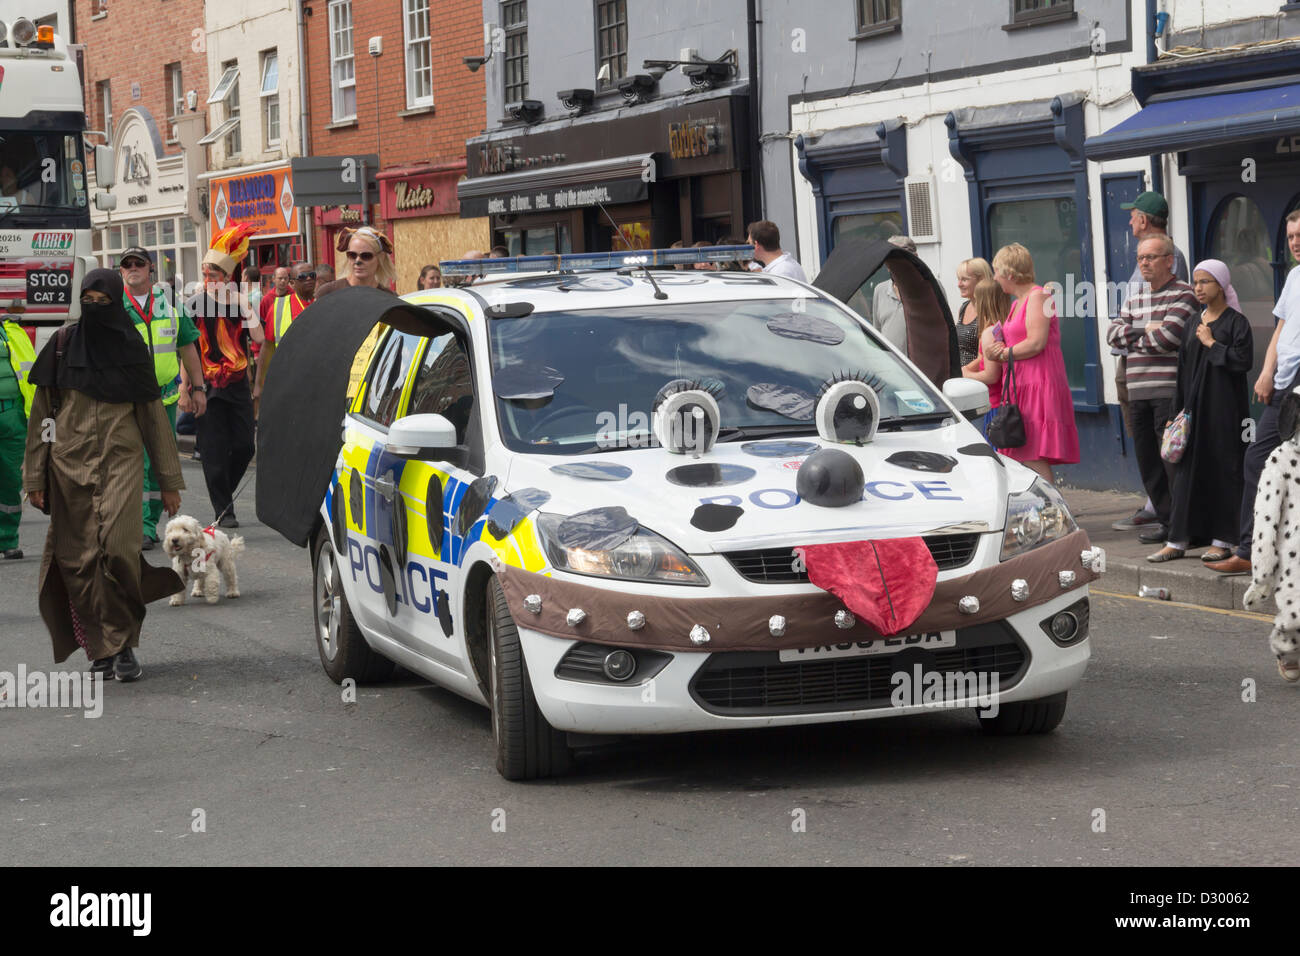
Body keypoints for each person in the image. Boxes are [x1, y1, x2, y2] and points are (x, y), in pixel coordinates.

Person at [23, 270, 184, 682]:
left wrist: (168, 482)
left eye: (103, 301)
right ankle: (105, 647)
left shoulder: (132, 350)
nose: (95, 308)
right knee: (80, 562)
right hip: (67, 468)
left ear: (115, 301)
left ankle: (124, 639)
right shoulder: (61, 348)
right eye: (87, 300)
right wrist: (35, 478)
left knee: (118, 550)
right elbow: (44, 418)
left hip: (121, 467)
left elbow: (153, 421)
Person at [1206, 209, 1300, 575]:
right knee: (1261, 460)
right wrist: (1266, 372)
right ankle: (1255, 550)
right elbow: (1281, 328)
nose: (1295, 242)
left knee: (1272, 462)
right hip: (1283, 380)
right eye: (1291, 236)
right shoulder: (1293, 276)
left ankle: (1255, 551)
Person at [1147, 260, 1253, 562]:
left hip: (1225, 413)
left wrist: (1211, 343)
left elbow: (1242, 362)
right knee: (1186, 475)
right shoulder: (1193, 322)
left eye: (1205, 282)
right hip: (1192, 411)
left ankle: (1222, 541)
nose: (1198, 288)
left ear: (1221, 285)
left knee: (1224, 472)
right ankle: (1177, 541)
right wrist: (1174, 413)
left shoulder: (1236, 323)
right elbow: (1182, 371)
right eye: (1196, 282)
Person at [1105, 234, 1197, 545]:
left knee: (1171, 461)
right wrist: (1145, 330)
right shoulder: (1134, 298)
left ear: (1169, 260)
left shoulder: (1184, 295)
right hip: (1137, 391)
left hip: (1166, 391)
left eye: (1151, 257)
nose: (1144, 263)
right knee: (1148, 462)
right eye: (1141, 258)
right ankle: (1168, 523)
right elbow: (1112, 336)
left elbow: (1168, 339)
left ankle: (1185, 527)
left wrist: (1133, 336)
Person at [118, 246, 206, 550]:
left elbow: (188, 347)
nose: (133, 268)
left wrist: (198, 388)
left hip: (165, 399)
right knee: (137, 463)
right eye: (127, 264)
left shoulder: (169, 303)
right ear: (121, 271)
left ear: (149, 268)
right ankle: (140, 524)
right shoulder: (115, 306)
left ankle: (150, 522)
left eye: (138, 263)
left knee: (161, 463)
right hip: (128, 401)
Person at [186, 223, 263, 528]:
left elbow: (257, 337)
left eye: (213, 276)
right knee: (213, 449)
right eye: (204, 275)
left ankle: (223, 496)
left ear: (227, 278)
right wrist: (187, 389)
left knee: (245, 446)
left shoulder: (239, 303)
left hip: (237, 383)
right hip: (206, 384)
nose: (207, 281)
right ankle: (224, 509)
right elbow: (187, 347)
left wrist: (244, 304)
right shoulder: (194, 304)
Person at [984, 243, 1080, 483]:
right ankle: (1041, 512)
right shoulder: (1017, 303)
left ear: (1010, 274)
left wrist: (1004, 354)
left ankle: (1053, 512)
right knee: (1022, 455)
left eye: (997, 271)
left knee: (1032, 455)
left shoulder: (1038, 297)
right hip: (1021, 385)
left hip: (1038, 384)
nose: (995, 278)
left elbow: (1037, 342)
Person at [1, 305, 37, 559]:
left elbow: (29, 374)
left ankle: (7, 539)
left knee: (11, 480)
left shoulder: (12, 331)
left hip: (12, 414)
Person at [254, 261, 316, 399]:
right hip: (289, 379)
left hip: (318, 377)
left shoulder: (324, 302)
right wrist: (259, 384)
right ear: (292, 283)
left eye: (312, 275)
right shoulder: (279, 307)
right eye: (302, 277)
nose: (308, 279)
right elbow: (268, 347)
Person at [961, 277, 1010, 440]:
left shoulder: (989, 332)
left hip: (993, 405)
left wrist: (966, 375)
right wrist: (968, 368)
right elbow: (984, 357)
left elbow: (991, 375)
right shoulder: (1002, 326)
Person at [315, 227, 397, 298]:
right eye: (352, 255)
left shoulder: (389, 298)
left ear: (380, 258)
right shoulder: (327, 293)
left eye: (366, 256)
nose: (357, 261)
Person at [870, 235, 918, 354]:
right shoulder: (880, 290)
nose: (891, 263)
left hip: (922, 369)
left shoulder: (930, 287)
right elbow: (878, 331)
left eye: (897, 257)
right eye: (888, 258)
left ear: (914, 258)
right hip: (893, 366)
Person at [954, 257, 994, 367]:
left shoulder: (988, 310)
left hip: (974, 377)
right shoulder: (964, 307)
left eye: (964, 280)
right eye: (958, 279)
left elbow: (983, 357)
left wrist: (963, 372)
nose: (959, 284)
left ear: (981, 280)